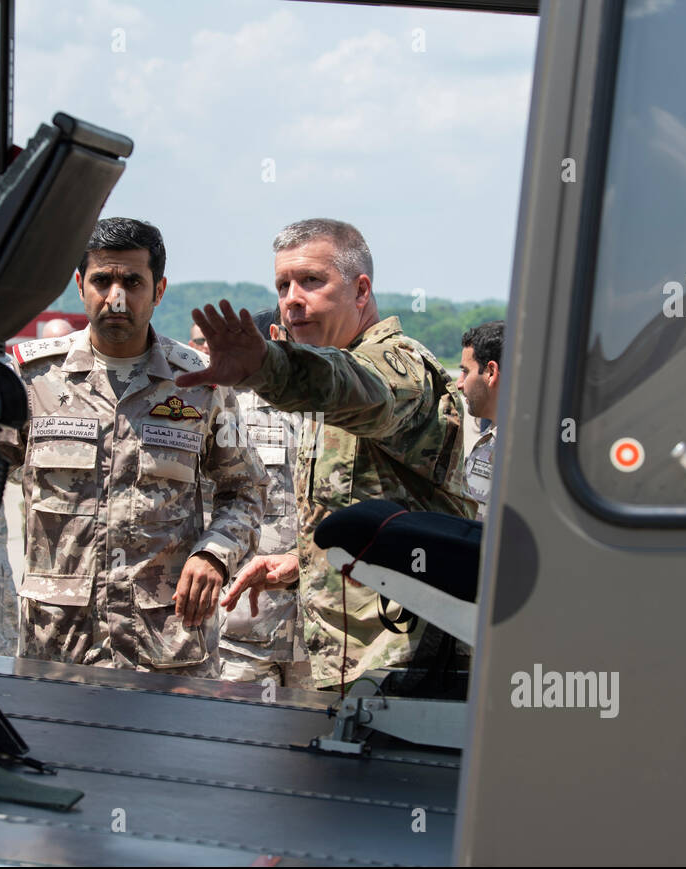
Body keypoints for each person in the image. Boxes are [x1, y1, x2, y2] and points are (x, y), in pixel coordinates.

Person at [183, 218, 474, 690]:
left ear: (361, 291)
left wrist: (267, 365)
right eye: (283, 285)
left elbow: (363, 391)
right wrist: (303, 563)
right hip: (350, 666)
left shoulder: (398, 364)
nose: (293, 298)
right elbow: (381, 514)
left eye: (312, 281)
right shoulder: (324, 381)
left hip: (404, 664)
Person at [5, 218, 266, 676]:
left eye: (132, 282)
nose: (116, 297)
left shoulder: (199, 384)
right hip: (58, 646)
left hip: (167, 649)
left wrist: (214, 555)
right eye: (102, 280)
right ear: (79, 285)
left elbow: (245, 490)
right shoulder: (32, 381)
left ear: (159, 289)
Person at [217, 309, 309, 687]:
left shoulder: (340, 411)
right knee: (237, 740)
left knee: (313, 739)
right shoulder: (231, 411)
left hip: (317, 638)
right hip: (246, 631)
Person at [457, 321, 504, 520]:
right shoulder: (493, 434)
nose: (459, 384)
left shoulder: (518, 449)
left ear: (491, 373)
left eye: (466, 371)